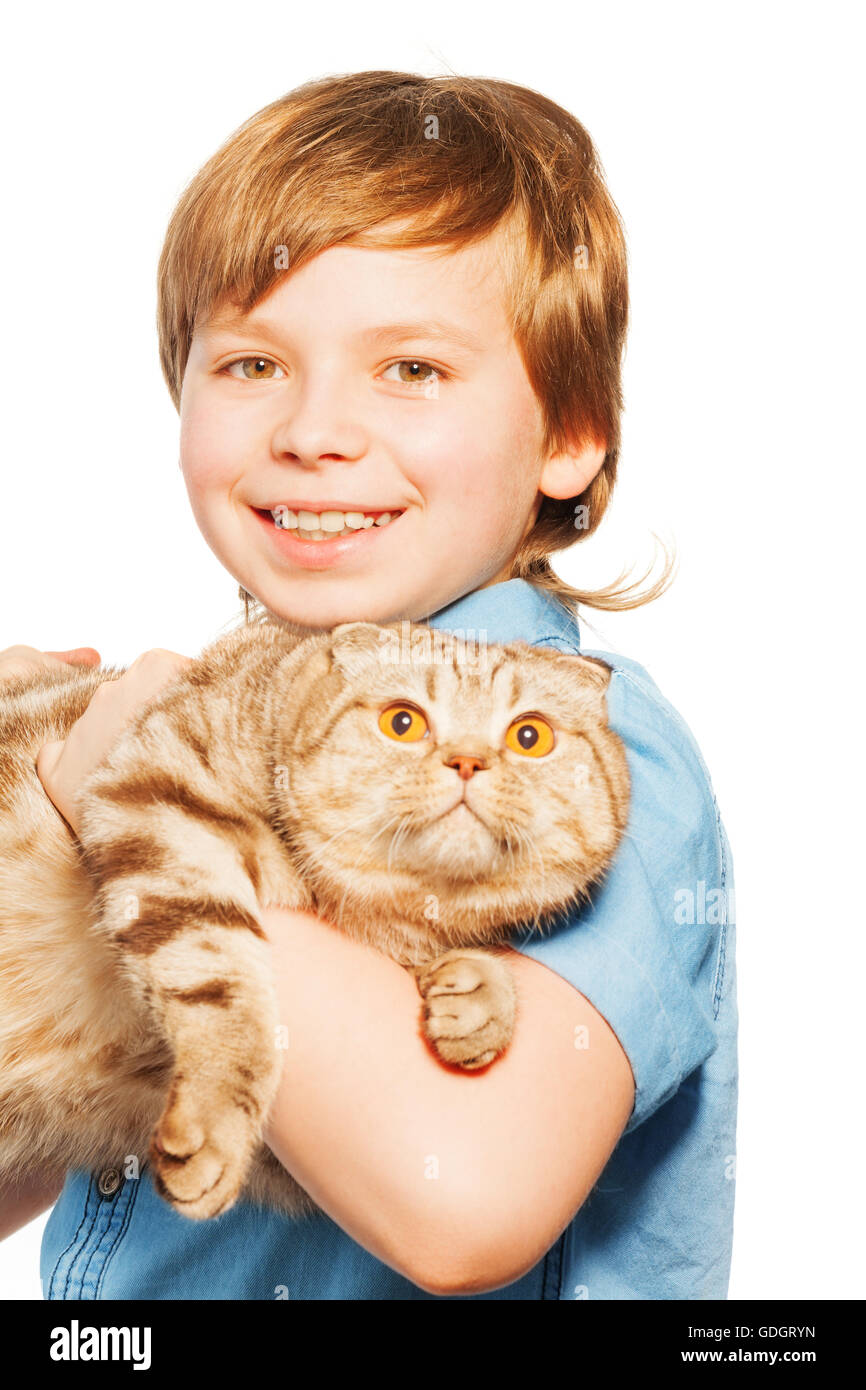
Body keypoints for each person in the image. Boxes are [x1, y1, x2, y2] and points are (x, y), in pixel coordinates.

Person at [0, 70, 737, 1300]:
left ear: (568, 432)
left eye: (410, 370)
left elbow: (465, 1200)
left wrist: (132, 826)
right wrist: (37, 831)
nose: (313, 430)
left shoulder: (578, 745)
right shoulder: (199, 727)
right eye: (248, 364)